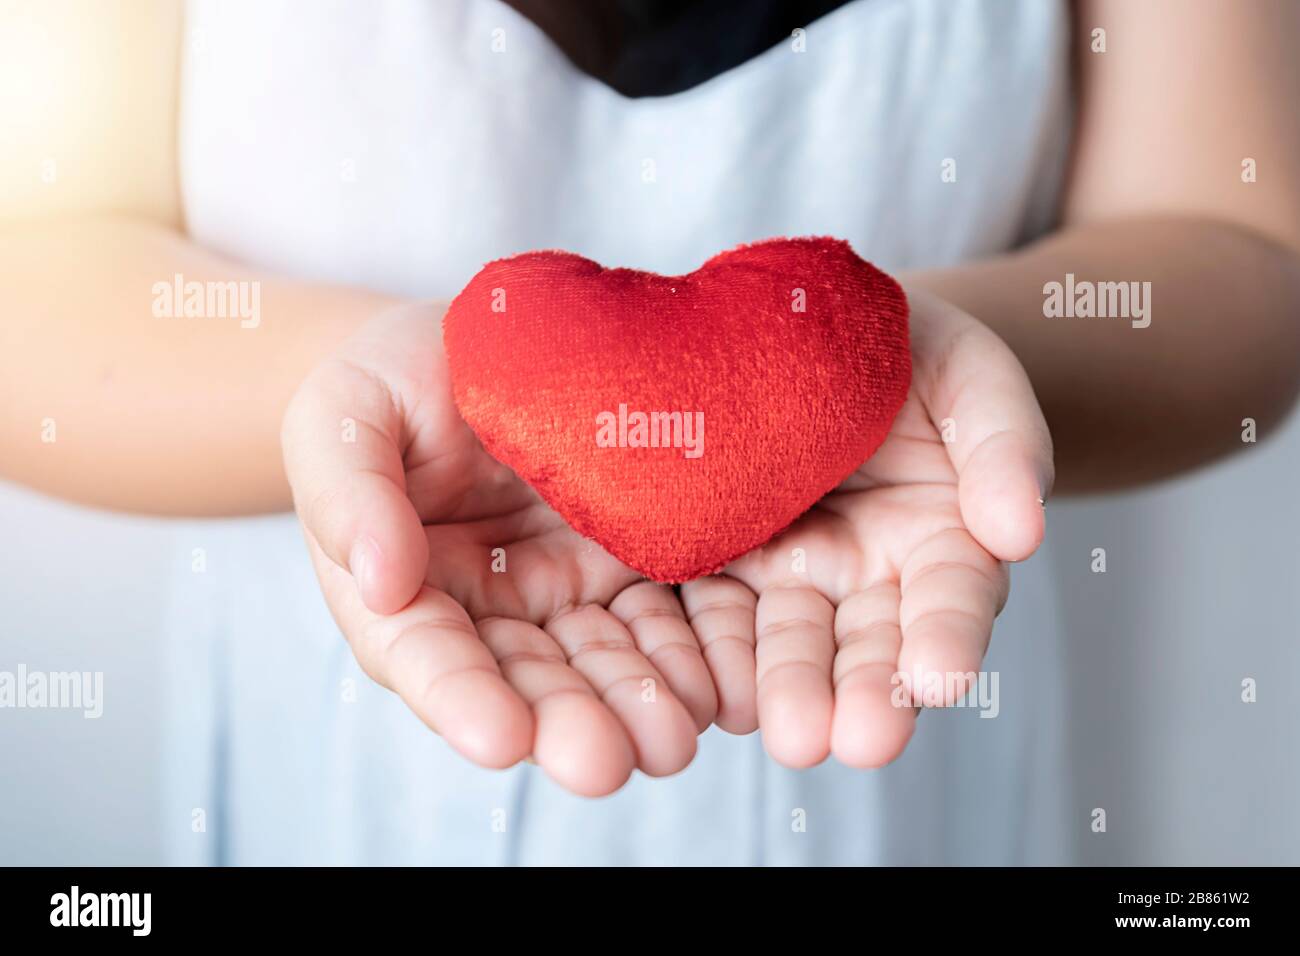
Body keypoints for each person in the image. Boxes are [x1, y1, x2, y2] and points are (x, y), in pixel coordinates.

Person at [2, 0, 1298, 864]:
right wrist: (379, 408)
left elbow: (1239, 244)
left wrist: (919, 361)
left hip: (894, 714)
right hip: (339, 753)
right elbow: (31, 262)